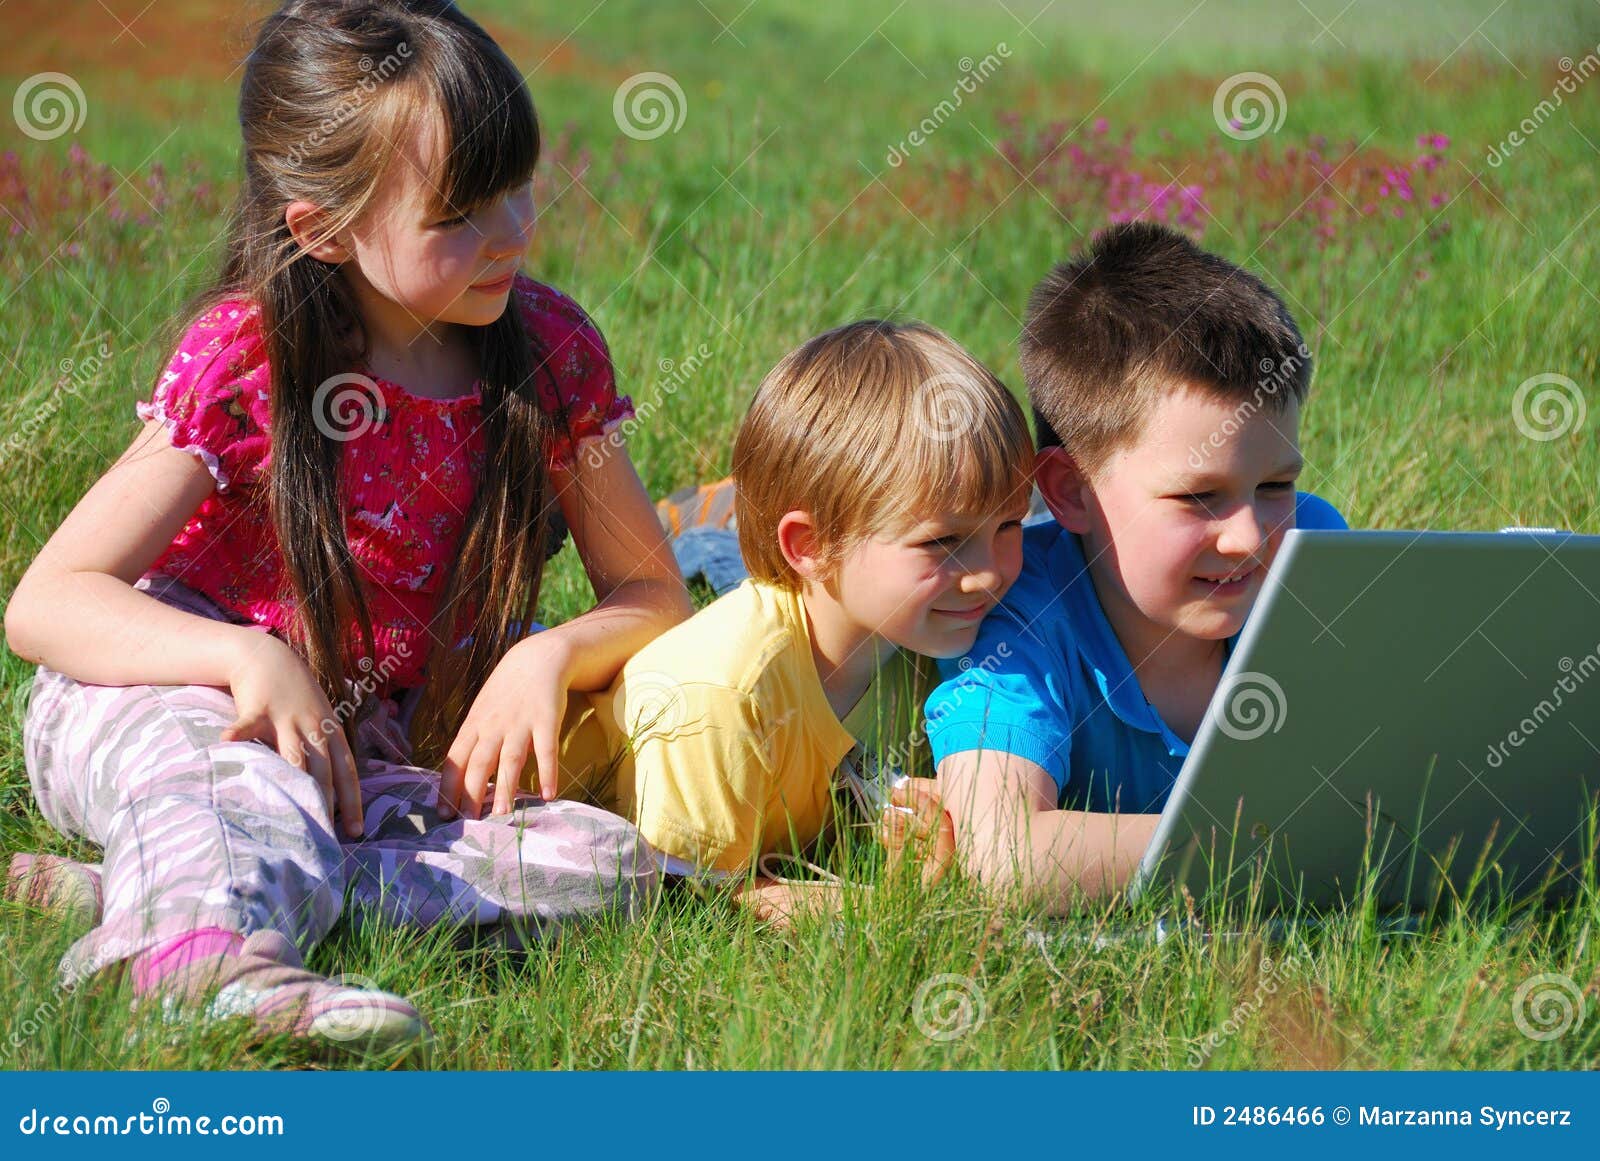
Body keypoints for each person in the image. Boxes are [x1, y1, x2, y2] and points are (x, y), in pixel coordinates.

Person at [1, 0, 691, 1050]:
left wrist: (549, 655)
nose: (512, 232)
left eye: (514, 188)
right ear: (319, 226)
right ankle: (201, 970)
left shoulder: (550, 355)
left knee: (607, 862)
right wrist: (239, 658)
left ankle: (170, 887)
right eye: (459, 215)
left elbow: (652, 597)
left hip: (367, 757)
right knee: (239, 779)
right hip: (171, 698)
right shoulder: (251, 357)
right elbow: (49, 604)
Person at [924, 221, 1349, 911]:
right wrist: (1284, 843)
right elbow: (1004, 858)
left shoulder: (1312, 551)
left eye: (1275, 486)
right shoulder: (1014, 621)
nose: (1248, 536)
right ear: (1069, 490)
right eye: (1197, 496)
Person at [556, 320, 1034, 922]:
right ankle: (699, 516)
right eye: (942, 541)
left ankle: (705, 515)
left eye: (1010, 525)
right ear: (811, 545)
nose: (988, 573)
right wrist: (888, 909)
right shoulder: (723, 696)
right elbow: (692, 899)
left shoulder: (924, 634)